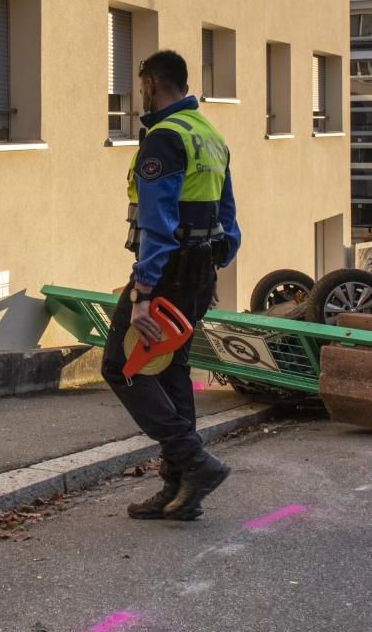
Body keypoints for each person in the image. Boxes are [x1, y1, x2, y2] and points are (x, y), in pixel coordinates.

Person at [101, 49, 241, 521]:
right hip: (197, 276)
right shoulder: (209, 135)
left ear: (151, 83)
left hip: (165, 278)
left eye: (141, 84)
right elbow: (228, 219)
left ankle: (196, 461)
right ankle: (179, 489)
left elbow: (159, 226)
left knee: (122, 366)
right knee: (171, 370)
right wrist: (213, 271)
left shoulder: (163, 138)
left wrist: (142, 295)